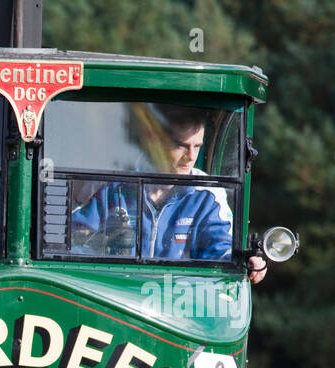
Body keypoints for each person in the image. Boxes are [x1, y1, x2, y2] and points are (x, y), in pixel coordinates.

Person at [71, 107, 268, 282]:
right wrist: (102, 244)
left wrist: (248, 263)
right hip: (117, 301)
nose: (191, 157)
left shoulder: (208, 195)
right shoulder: (115, 188)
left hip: (177, 309)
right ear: (155, 141)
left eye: (197, 146)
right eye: (181, 145)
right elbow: (74, 242)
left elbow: (221, 253)